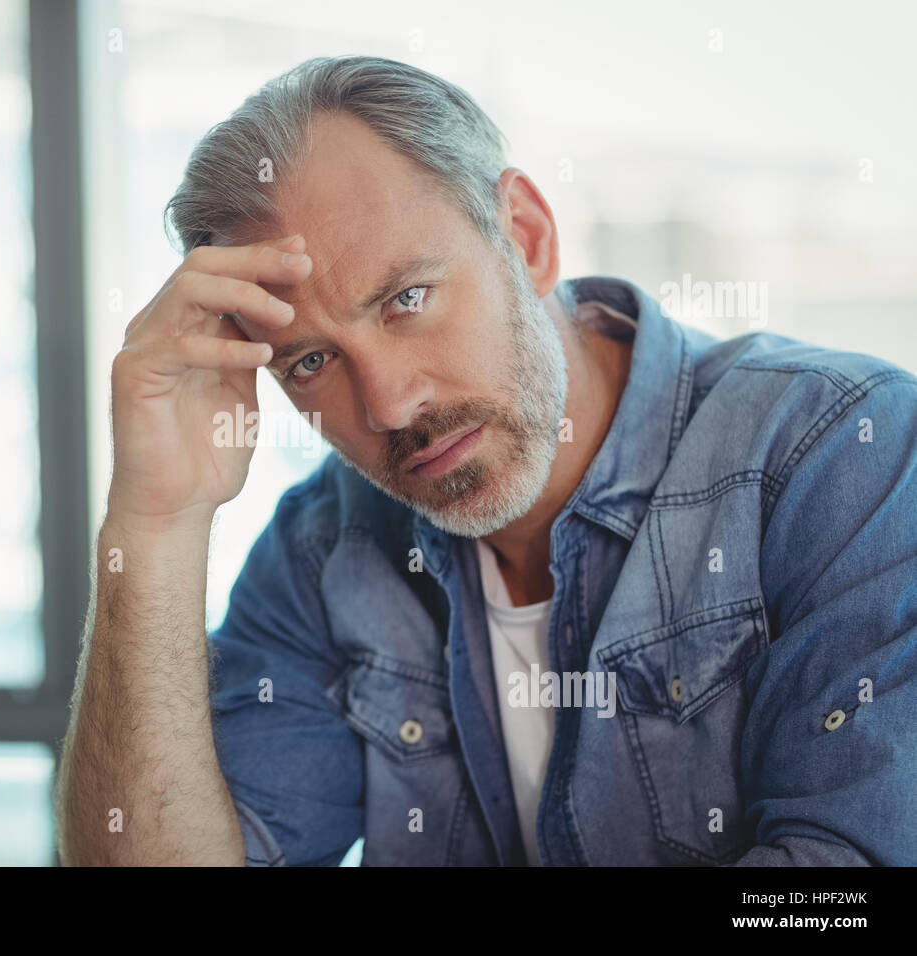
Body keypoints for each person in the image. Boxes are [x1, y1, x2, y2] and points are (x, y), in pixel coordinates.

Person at [54, 55, 917, 866]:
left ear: (528, 238)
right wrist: (155, 524)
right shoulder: (325, 549)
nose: (390, 404)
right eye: (311, 362)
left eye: (407, 299)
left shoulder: (837, 452)